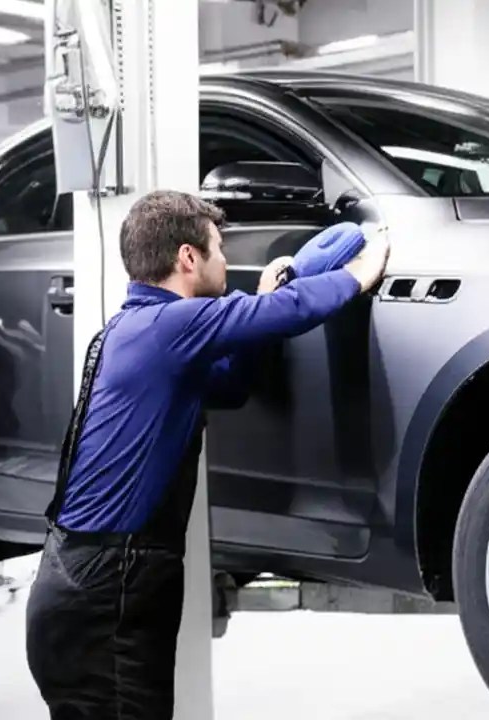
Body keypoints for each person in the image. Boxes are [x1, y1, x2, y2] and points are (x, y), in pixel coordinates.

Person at [23, 189, 389, 719]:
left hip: (80, 588)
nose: (225, 261)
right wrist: (361, 271)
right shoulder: (172, 326)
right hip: (106, 593)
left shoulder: (135, 331)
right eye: (218, 248)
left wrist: (263, 297)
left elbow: (230, 386)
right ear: (187, 258)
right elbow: (291, 310)